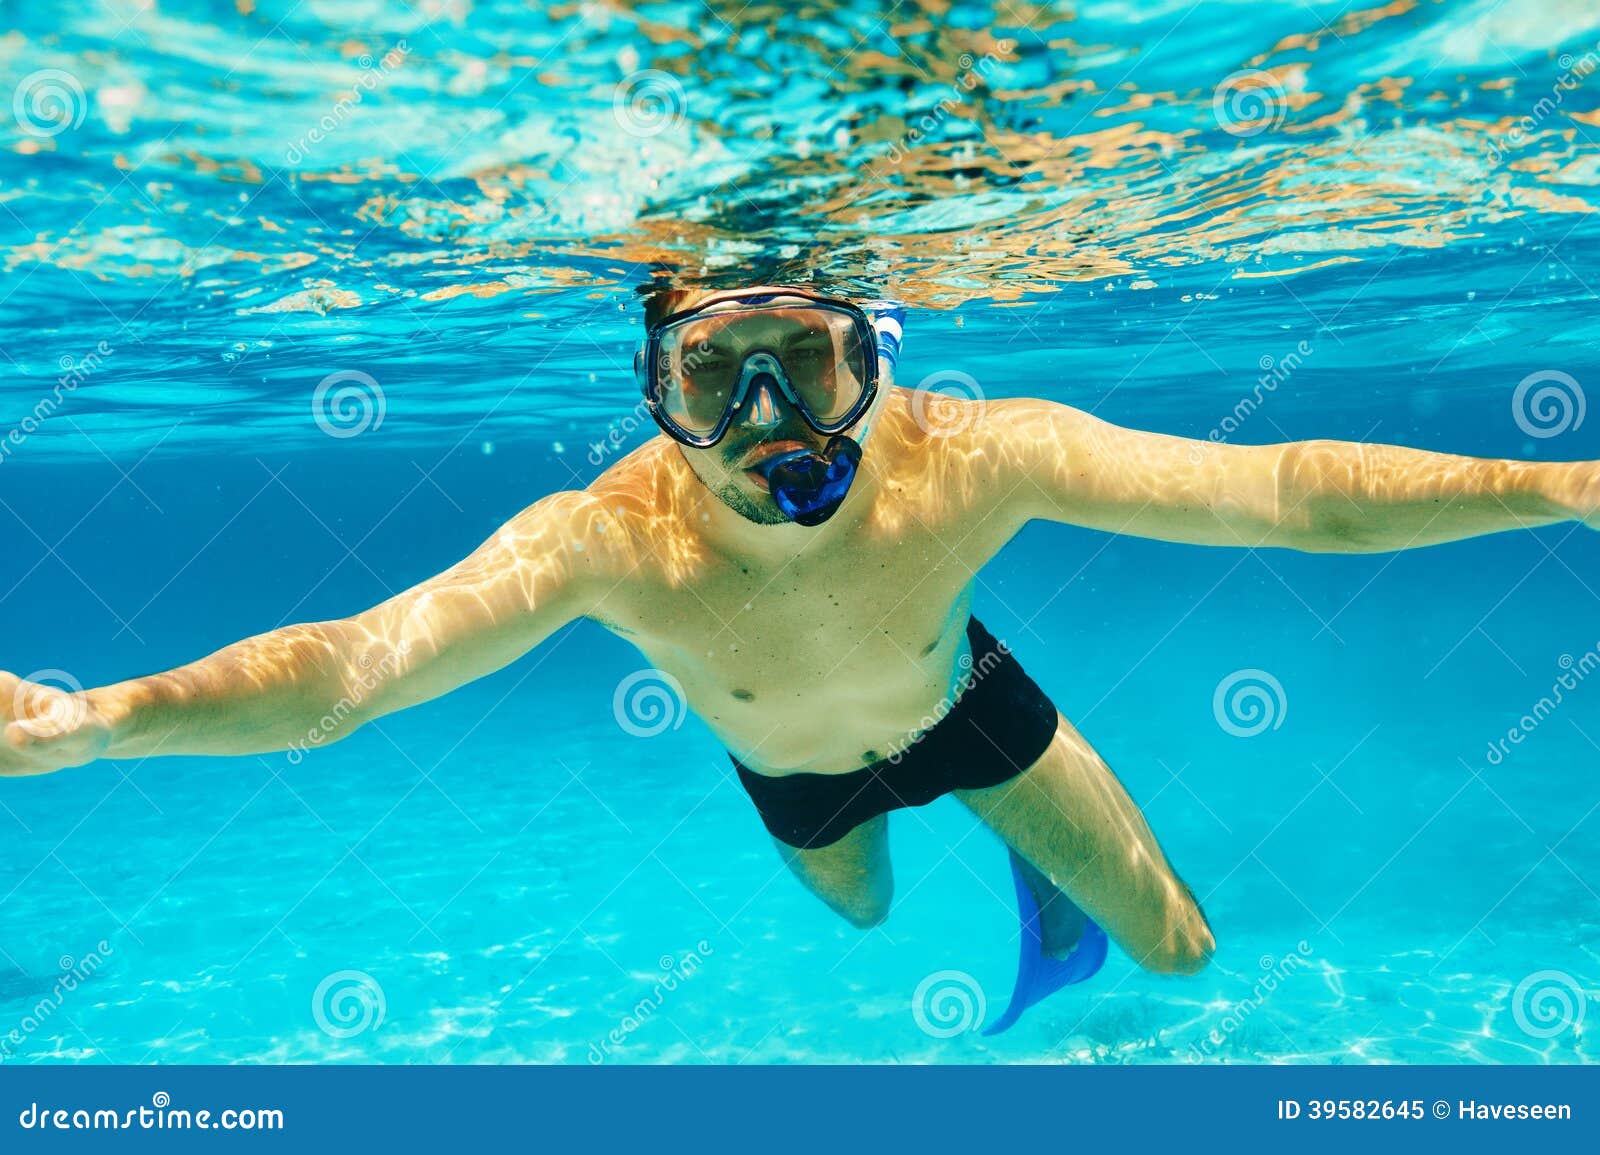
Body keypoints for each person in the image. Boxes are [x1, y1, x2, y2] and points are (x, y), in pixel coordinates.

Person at [4, 284, 1597, 1033]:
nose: (769, 423)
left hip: (967, 704)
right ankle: (965, 839)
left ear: (876, 365)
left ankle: (1032, 848)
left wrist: (1564, 488)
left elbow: (1285, 495)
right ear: (658, 398)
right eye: (716, 378)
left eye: (806, 366)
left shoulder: (975, 458)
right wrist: (92, 724)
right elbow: (353, 669)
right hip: (793, 774)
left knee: (1175, 955)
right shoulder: (602, 539)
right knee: (861, 909)